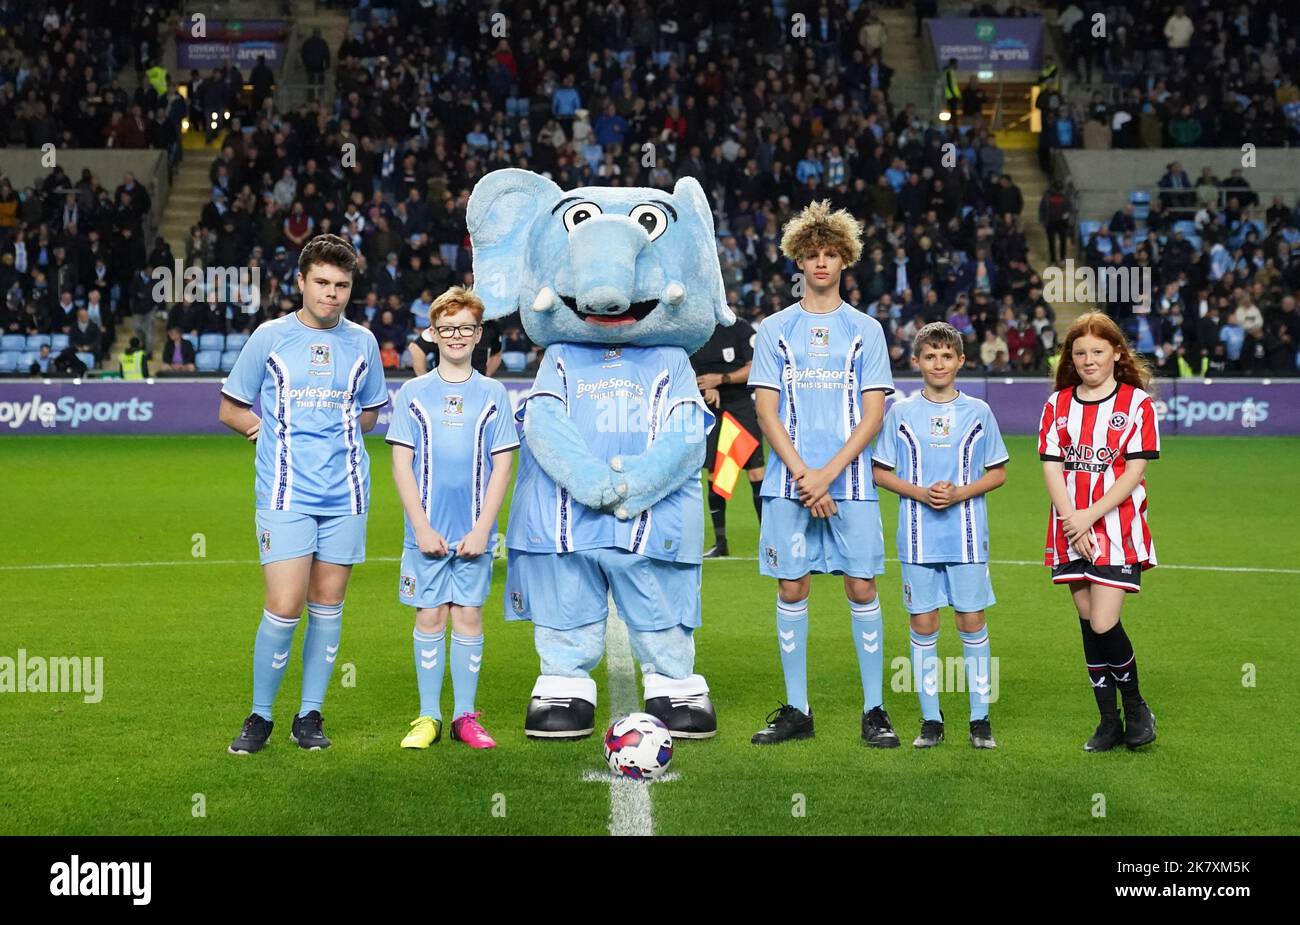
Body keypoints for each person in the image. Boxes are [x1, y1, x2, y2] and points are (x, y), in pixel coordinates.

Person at [219, 234, 390, 755]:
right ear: (301, 282)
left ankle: (309, 715)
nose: (331, 293)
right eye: (322, 282)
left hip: (346, 495)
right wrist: (263, 431)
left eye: (341, 285)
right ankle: (260, 716)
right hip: (285, 493)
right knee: (284, 604)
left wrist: (335, 434)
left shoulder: (363, 342)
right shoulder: (270, 337)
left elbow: (369, 413)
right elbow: (231, 408)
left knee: (328, 604)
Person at [747, 199, 899, 747]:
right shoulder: (774, 329)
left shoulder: (866, 330)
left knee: (861, 586)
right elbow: (766, 411)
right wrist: (804, 476)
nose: (820, 262)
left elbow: (873, 415)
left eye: (830, 254)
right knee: (792, 586)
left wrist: (826, 475)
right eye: (811, 253)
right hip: (789, 484)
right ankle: (797, 709)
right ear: (798, 260)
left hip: (849, 484)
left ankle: (875, 710)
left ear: (845, 260)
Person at [387, 287, 518, 751]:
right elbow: (401, 463)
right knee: (429, 615)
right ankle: (428, 717)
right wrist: (421, 526)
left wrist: (483, 529)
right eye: (447, 328)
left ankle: (465, 717)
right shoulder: (413, 393)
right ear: (433, 333)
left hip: (473, 534)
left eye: (465, 328)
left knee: (468, 614)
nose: (456, 336)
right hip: (426, 533)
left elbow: (503, 465)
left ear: (478, 334)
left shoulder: (494, 393)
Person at [871, 323, 1009, 749]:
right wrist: (921, 493)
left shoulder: (979, 411)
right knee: (923, 621)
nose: (938, 363)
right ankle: (931, 719)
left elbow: (998, 472)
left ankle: (980, 718)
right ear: (916, 362)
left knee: (971, 620)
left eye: (947, 356)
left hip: (967, 536)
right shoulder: (900, 413)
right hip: (917, 538)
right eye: (930, 356)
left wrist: (960, 493)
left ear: (961, 361)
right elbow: (880, 472)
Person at [1038, 312, 1159, 753]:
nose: (1088, 360)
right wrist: (1073, 521)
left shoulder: (1137, 404)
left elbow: (1134, 471)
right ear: (1070, 358)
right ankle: (1109, 721)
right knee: (1089, 623)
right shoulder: (1057, 404)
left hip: (1116, 526)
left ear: (1117, 354)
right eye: (1080, 353)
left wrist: (1088, 516)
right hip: (1070, 526)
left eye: (1098, 351)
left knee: (1105, 621)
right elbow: (1052, 467)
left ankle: (1137, 707)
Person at [691, 312, 764, 557]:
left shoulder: (740, 329)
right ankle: (720, 543)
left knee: (756, 472)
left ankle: (769, 539)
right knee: (715, 474)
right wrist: (705, 389)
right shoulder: (696, 333)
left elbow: (754, 369)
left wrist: (720, 380)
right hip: (711, 409)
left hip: (740, 407)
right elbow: (686, 370)